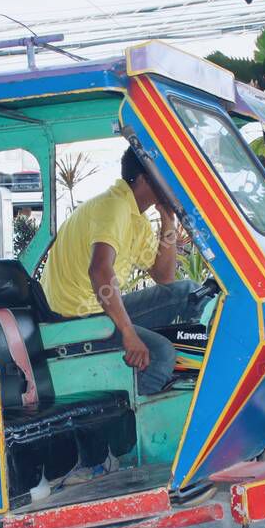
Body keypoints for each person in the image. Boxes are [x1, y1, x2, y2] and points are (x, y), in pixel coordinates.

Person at [40, 147, 203, 396]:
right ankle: (134, 420)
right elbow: (99, 271)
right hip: (72, 322)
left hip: (97, 311)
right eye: (166, 173)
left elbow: (164, 278)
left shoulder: (135, 217)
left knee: (189, 293)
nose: (173, 180)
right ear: (145, 177)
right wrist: (128, 333)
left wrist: (168, 221)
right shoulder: (114, 207)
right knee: (161, 353)